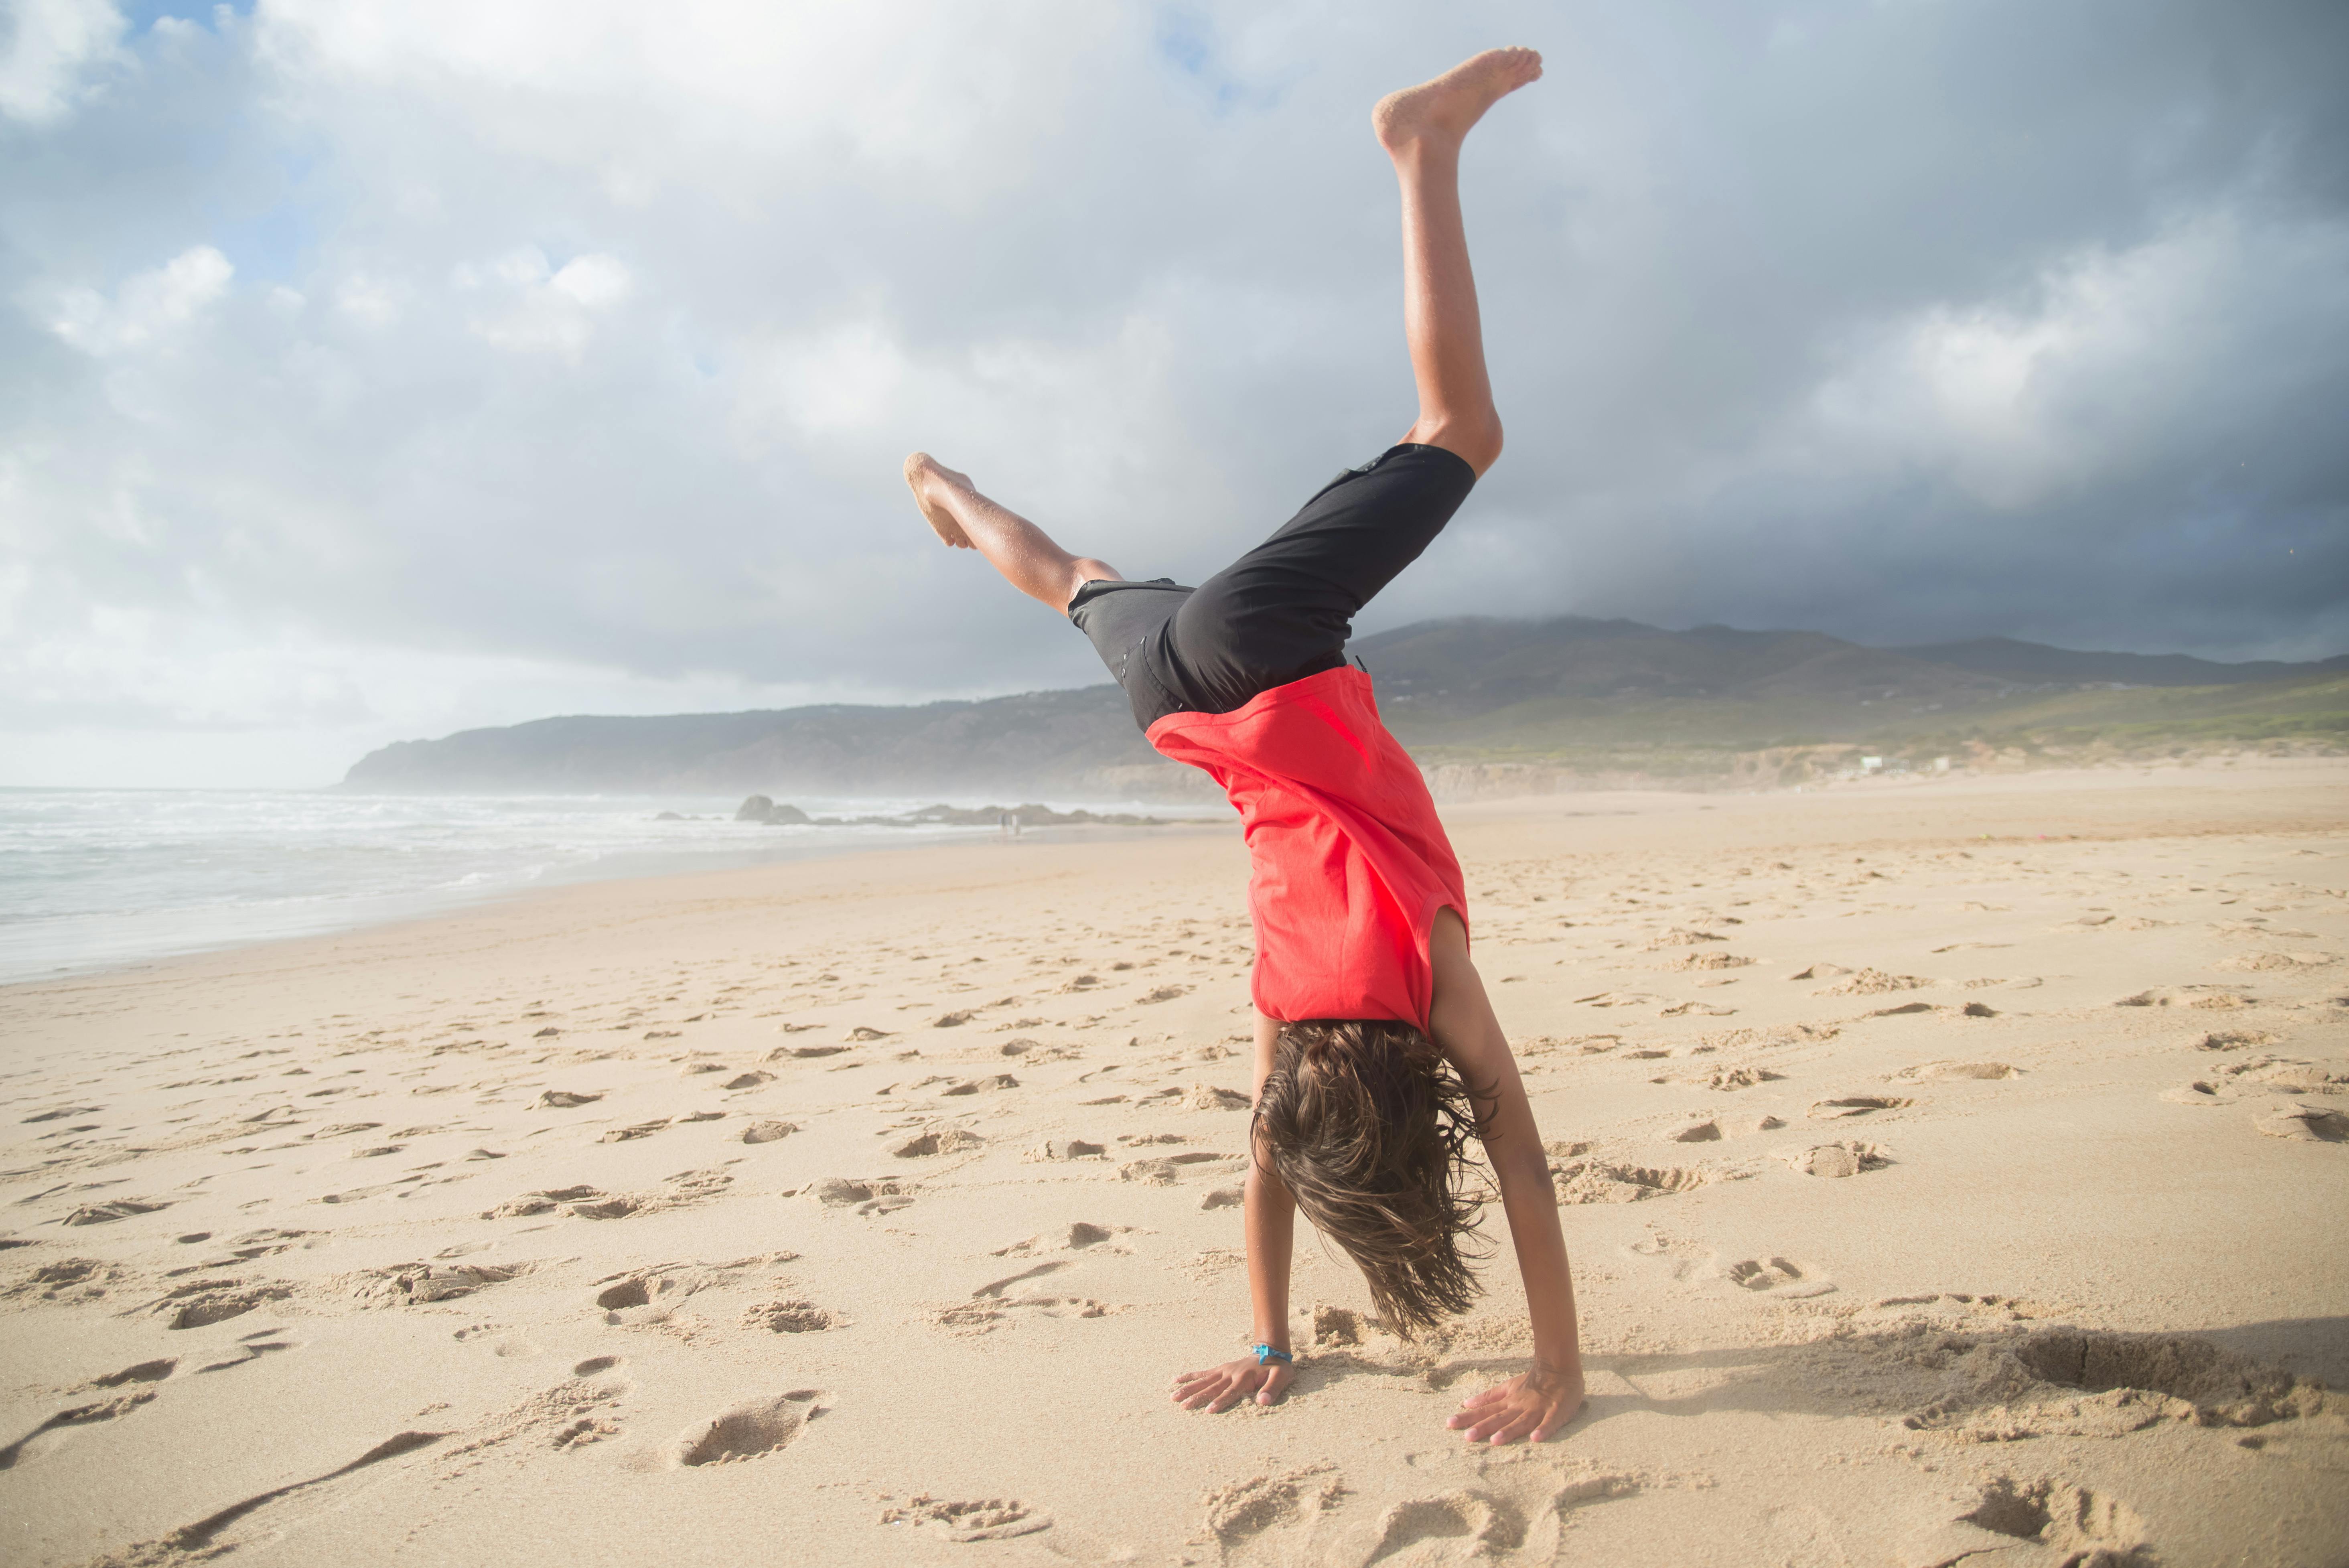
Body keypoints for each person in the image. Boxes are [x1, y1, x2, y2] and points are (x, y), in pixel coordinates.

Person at [901, 47, 1582, 1446]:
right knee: (1072, 575)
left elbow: (1524, 1166)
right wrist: (1267, 1333)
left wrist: (1561, 1371)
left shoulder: (1426, 987)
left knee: (1461, 430)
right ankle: (947, 489)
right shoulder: (1279, 1024)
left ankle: (1421, 145)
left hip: (1263, 664)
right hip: (1174, 710)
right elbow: (1264, 1162)